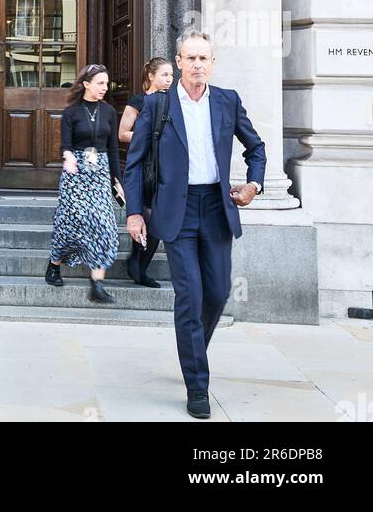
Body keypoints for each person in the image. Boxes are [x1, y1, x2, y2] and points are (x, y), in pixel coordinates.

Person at [124, 31, 266, 419]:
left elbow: (256, 147)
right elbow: (134, 163)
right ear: (179, 61)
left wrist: (254, 184)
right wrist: (134, 212)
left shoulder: (227, 100)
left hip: (217, 208)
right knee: (189, 296)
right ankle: (197, 385)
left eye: (204, 58)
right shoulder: (157, 105)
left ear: (213, 63)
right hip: (178, 211)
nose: (198, 65)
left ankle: (191, 349)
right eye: (191, 58)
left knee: (218, 292)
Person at [45, 63, 126, 304]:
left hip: (100, 172)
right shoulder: (72, 112)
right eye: (100, 83)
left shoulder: (109, 111)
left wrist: (117, 180)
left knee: (104, 224)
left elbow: (112, 148)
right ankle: (54, 265)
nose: (104, 88)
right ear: (86, 84)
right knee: (71, 223)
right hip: (76, 172)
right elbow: (65, 145)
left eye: (106, 84)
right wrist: (68, 157)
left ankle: (97, 284)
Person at [119, 56, 174, 288]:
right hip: (143, 166)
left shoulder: (174, 101)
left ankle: (139, 265)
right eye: (164, 75)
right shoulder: (138, 101)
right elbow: (122, 133)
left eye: (171, 75)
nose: (169, 79)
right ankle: (136, 263)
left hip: (164, 167)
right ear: (151, 76)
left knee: (158, 220)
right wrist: (149, 136)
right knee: (145, 216)